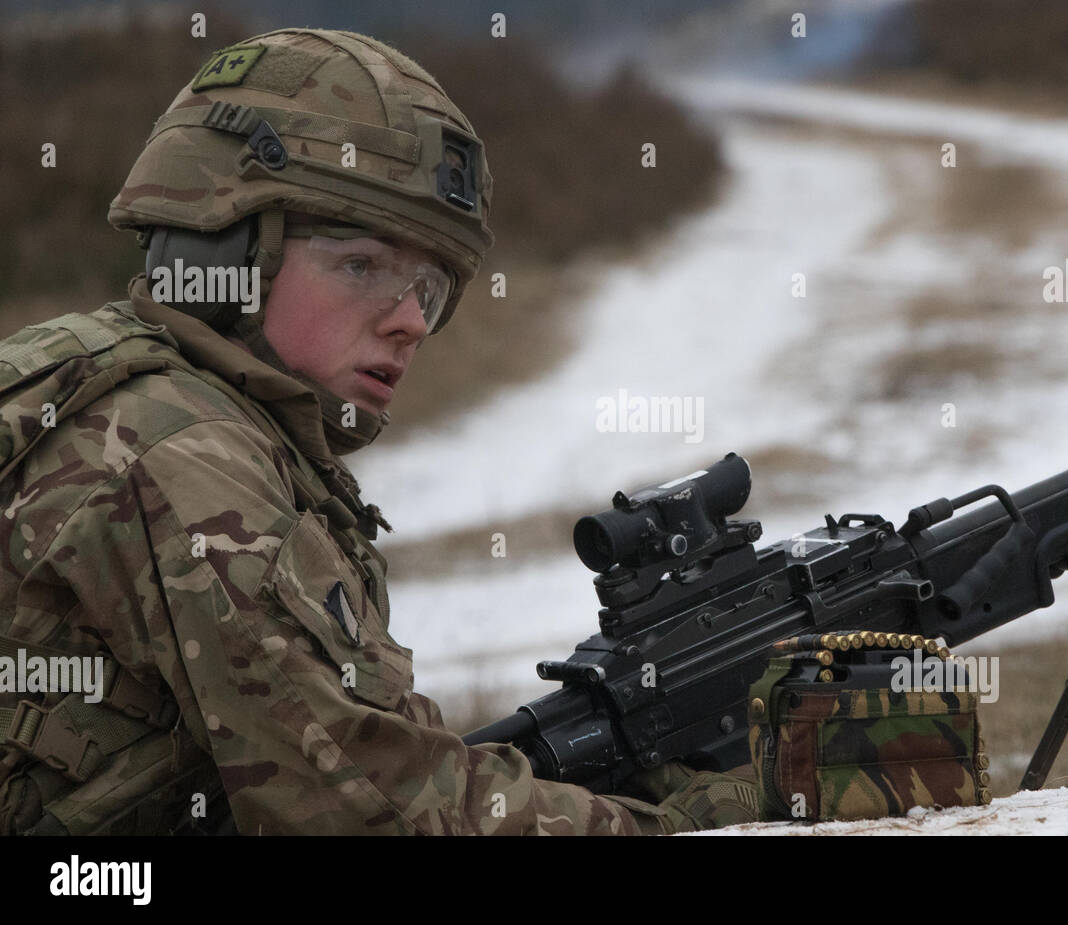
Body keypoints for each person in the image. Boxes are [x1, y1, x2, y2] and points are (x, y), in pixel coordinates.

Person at [0, 27, 758, 835]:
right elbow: (371, 811)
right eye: (362, 266)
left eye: (428, 291)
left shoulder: (120, 388)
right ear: (224, 245)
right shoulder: (178, 452)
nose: (408, 324)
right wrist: (688, 820)